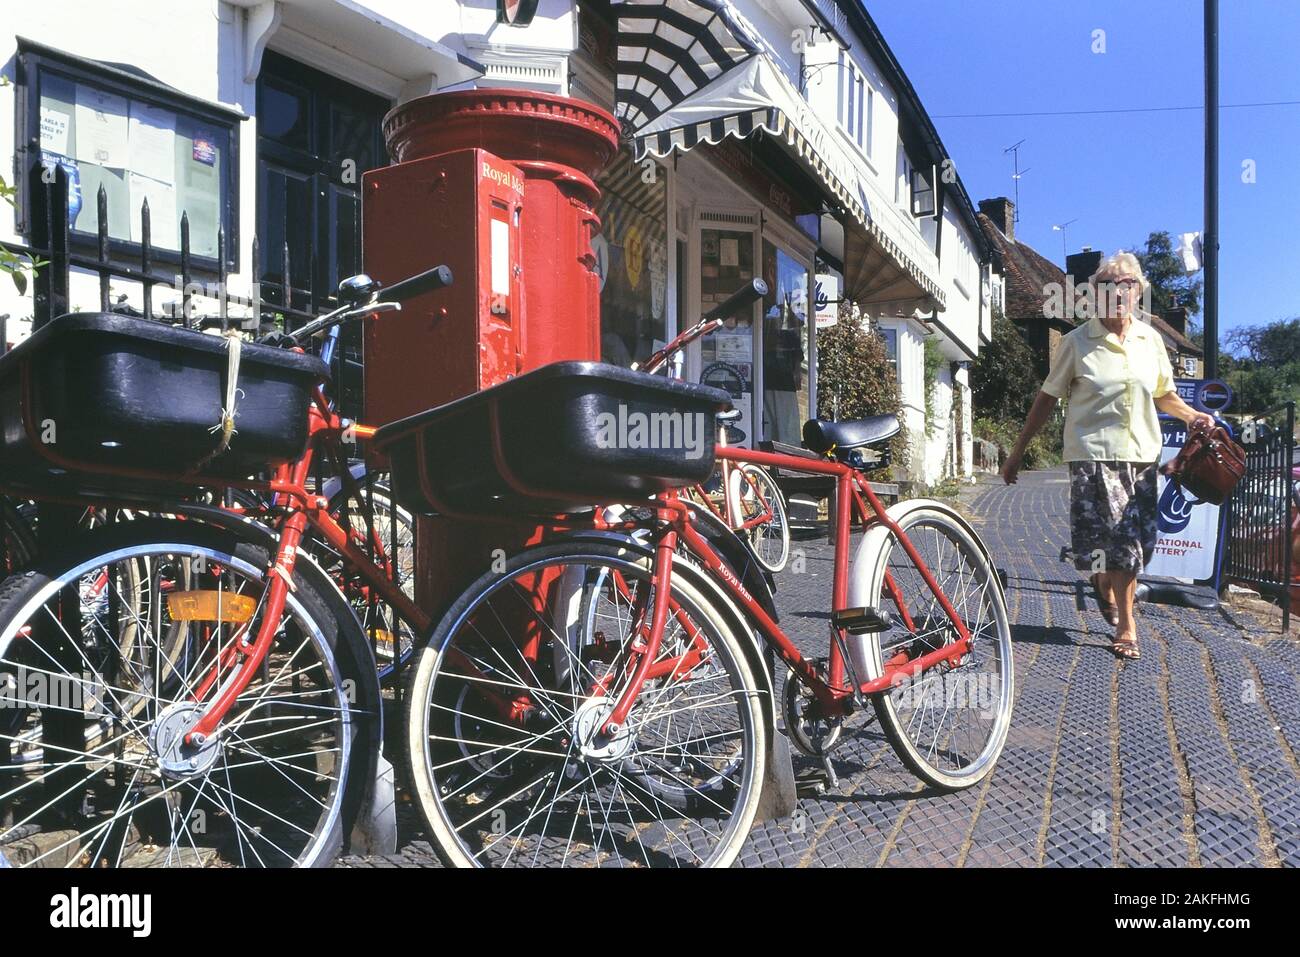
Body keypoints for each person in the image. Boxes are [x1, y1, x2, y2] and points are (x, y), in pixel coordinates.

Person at [1001, 251, 1213, 659]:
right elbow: (1046, 399)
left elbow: (1164, 393)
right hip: (1094, 455)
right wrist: (1018, 452)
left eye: (1127, 285)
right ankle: (1127, 626)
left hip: (1142, 455)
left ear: (1139, 293)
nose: (1117, 292)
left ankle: (1103, 583)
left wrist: (1191, 416)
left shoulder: (1150, 340)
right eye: (1107, 285)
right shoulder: (1078, 342)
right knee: (1122, 542)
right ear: (1095, 294)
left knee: (1141, 542)